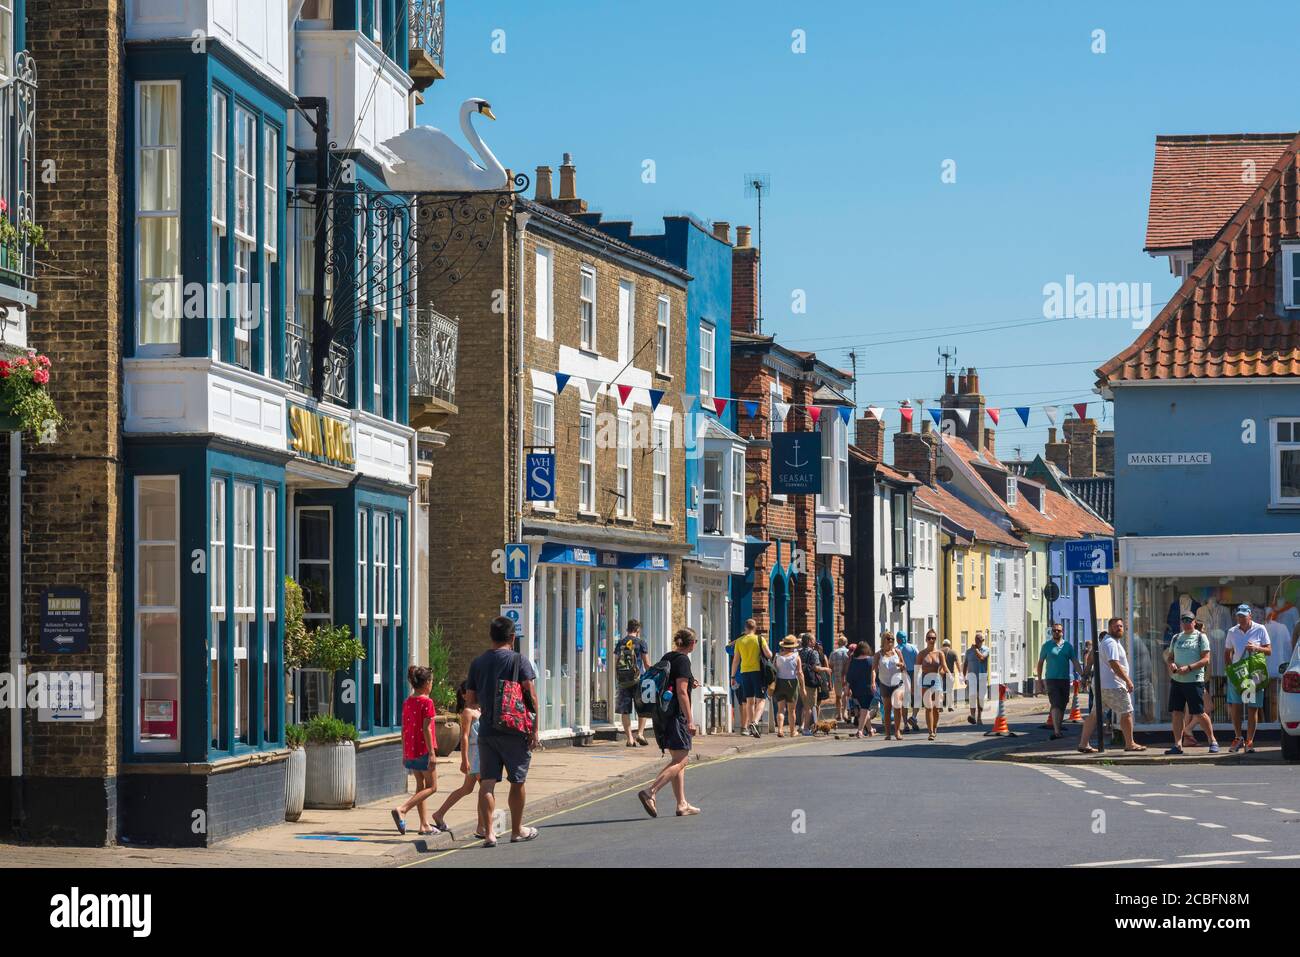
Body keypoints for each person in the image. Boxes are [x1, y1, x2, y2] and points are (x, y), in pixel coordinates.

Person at [464, 615, 540, 847]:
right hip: (515, 731)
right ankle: (517, 831)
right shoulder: (519, 661)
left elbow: (470, 700)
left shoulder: (477, 663)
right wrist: (534, 729)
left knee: (487, 783)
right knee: (517, 781)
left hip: (487, 730)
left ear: (491, 636)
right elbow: (532, 698)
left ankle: (489, 834)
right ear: (512, 637)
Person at [637, 628, 701, 818]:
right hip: (675, 716)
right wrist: (690, 720)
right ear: (692, 643)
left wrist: (691, 683)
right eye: (696, 641)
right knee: (682, 759)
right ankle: (651, 792)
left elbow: (670, 683)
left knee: (677, 759)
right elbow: (681, 692)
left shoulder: (669, 656)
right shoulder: (683, 660)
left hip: (662, 713)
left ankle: (682, 804)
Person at [430, 681, 488, 837]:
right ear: (464, 695)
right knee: (485, 789)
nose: (476, 693)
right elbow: (464, 737)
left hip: (483, 751)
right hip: (475, 753)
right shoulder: (467, 712)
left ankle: (439, 814)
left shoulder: (480, 709)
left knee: (467, 789)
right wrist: (464, 760)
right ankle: (481, 827)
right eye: (472, 691)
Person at [1077, 618, 1145, 754]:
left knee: (1095, 714)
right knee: (1127, 712)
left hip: (1102, 685)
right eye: (1115, 626)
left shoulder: (1110, 642)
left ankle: (1083, 743)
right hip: (1113, 685)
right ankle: (1130, 743)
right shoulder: (1110, 643)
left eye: (1120, 626)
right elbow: (1114, 663)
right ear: (1109, 628)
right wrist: (1128, 680)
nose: (1119, 628)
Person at [392, 665, 439, 835]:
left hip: (411, 750)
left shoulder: (408, 701)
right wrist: (432, 753)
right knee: (432, 787)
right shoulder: (427, 702)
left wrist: (404, 752)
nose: (432, 684)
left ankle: (424, 825)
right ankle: (403, 809)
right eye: (431, 681)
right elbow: (427, 729)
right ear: (426, 683)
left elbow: (404, 728)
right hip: (424, 750)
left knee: (421, 786)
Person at [1164, 612, 1219, 756]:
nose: (1186, 623)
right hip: (1177, 681)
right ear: (1181, 623)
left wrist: (1188, 668)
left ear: (1194, 622)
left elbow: (1206, 659)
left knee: (1199, 712)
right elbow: (1170, 658)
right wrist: (1172, 665)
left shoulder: (1201, 637)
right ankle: (1178, 744)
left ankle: (1212, 740)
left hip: (1194, 681)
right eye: (1184, 620)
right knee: (1177, 712)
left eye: (1189, 620)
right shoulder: (1176, 638)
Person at [1225, 604, 1271, 754]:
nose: (1241, 618)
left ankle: (1250, 740)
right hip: (1238, 675)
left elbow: (1269, 650)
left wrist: (1256, 648)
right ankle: (1238, 737)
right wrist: (1229, 671)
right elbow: (1227, 653)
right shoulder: (1232, 631)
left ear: (1250, 615)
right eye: (1239, 616)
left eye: (1244, 616)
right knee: (1236, 707)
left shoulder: (1260, 628)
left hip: (1253, 675)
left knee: (1252, 708)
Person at [730, 620, 772, 738]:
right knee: (761, 699)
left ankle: (750, 726)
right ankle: (755, 722)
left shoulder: (739, 641)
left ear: (745, 627)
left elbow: (736, 660)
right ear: (755, 628)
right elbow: (768, 655)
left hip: (744, 672)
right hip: (758, 672)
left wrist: (732, 676)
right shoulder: (759, 639)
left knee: (749, 701)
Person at [1036, 622, 1078, 740]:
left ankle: (1058, 728)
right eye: (1054, 630)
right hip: (1051, 679)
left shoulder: (1067, 646)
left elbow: (1074, 661)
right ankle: (1057, 731)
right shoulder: (1047, 646)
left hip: (1064, 679)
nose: (1056, 632)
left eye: (1058, 630)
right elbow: (1040, 663)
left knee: (1063, 704)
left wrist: (1082, 673)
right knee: (1055, 704)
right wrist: (1039, 681)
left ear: (1062, 632)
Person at [613, 619, 652, 748]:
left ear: (627, 629)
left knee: (625, 710)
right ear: (638, 630)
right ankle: (640, 733)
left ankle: (629, 739)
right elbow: (646, 664)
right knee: (642, 708)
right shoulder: (641, 643)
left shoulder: (621, 643)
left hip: (623, 681)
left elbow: (616, 662)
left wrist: (618, 678)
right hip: (638, 680)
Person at [917, 630, 949, 741]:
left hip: (936, 680)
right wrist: (913, 685)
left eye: (933, 638)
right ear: (926, 639)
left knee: (936, 707)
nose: (931, 640)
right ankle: (930, 732)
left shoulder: (940, 653)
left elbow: (944, 667)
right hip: (925, 680)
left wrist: (950, 675)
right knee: (928, 707)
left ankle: (935, 728)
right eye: (929, 638)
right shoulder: (921, 654)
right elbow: (917, 670)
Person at [876, 632, 907, 740]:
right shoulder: (878, 654)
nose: (891, 641)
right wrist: (872, 682)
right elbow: (874, 670)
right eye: (888, 639)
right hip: (884, 683)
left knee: (897, 707)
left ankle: (897, 732)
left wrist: (901, 665)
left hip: (897, 682)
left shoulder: (897, 652)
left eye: (892, 639)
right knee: (887, 709)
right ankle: (888, 733)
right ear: (883, 640)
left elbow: (904, 666)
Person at [772, 635, 804, 737]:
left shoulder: (777, 656)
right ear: (793, 646)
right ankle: (792, 731)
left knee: (781, 709)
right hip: (792, 683)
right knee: (792, 710)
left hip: (780, 682)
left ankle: (780, 730)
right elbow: (799, 673)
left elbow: (773, 671)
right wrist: (803, 688)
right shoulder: (796, 657)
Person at [798, 632, 831, 734]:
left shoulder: (799, 652)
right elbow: (815, 668)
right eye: (813, 640)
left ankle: (802, 725)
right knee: (810, 707)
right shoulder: (814, 653)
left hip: (800, 681)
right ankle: (806, 729)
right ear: (809, 641)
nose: (814, 641)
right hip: (810, 682)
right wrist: (826, 669)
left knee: (803, 705)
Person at [845, 641, 876, 738]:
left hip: (856, 688)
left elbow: (849, 675)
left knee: (864, 708)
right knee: (864, 709)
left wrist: (847, 687)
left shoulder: (853, 661)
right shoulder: (871, 660)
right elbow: (873, 672)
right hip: (868, 687)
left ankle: (870, 730)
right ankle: (860, 731)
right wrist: (873, 682)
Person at [964, 632, 989, 725]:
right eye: (977, 640)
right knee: (972, 697)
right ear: (975, 640)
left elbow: (982, 658)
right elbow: (965, 664)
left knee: (980, 698)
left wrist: (976, 650)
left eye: (981, 640)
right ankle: (973, 716)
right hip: (971, 677)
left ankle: (979, 717)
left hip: (982, 677)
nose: (979, 641)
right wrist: (963, 676)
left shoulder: (986, 650)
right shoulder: (969, 651)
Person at [897, 631, 920, 731]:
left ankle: (906, 724)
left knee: (905, 701)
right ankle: (914, 717)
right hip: (913, 672)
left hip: (902, 674)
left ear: (898, 639)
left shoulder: (896, 649)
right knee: (917, 698)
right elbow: (919, 662)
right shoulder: (913, 647)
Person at [829, 635, 853, 723]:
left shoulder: (833, 653)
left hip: (836, 678)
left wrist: (830, 680)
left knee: (838, 696)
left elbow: (830, 667)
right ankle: (844, 713)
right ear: (846, 643)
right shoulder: (848, 653)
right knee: (846, 695)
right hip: (847, 678)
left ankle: (839, 714)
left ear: (838, 643)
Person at [941, 639, 960, 711]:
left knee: (940, 690)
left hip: (941, 673)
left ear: (943, 644)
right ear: (949, 645)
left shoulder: (939, 652)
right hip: (950, 673)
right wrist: (960, 673)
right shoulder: (953, 652)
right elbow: (957, 663)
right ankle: (950, 706)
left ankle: (940, 706)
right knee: (950, 690)